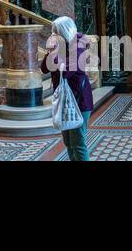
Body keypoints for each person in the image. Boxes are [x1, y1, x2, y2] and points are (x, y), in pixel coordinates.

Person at [45, 16, 94, 160]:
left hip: (79, 102)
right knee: (68, 142)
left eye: (56, 32)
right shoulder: (60, 47)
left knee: (78, 143)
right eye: (53, 32)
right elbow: (44, 68)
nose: (53, 36)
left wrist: (55, 56)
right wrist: (51, 51)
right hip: (64, 101)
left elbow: (66, 72)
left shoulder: (78, 47)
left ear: (64, 32)